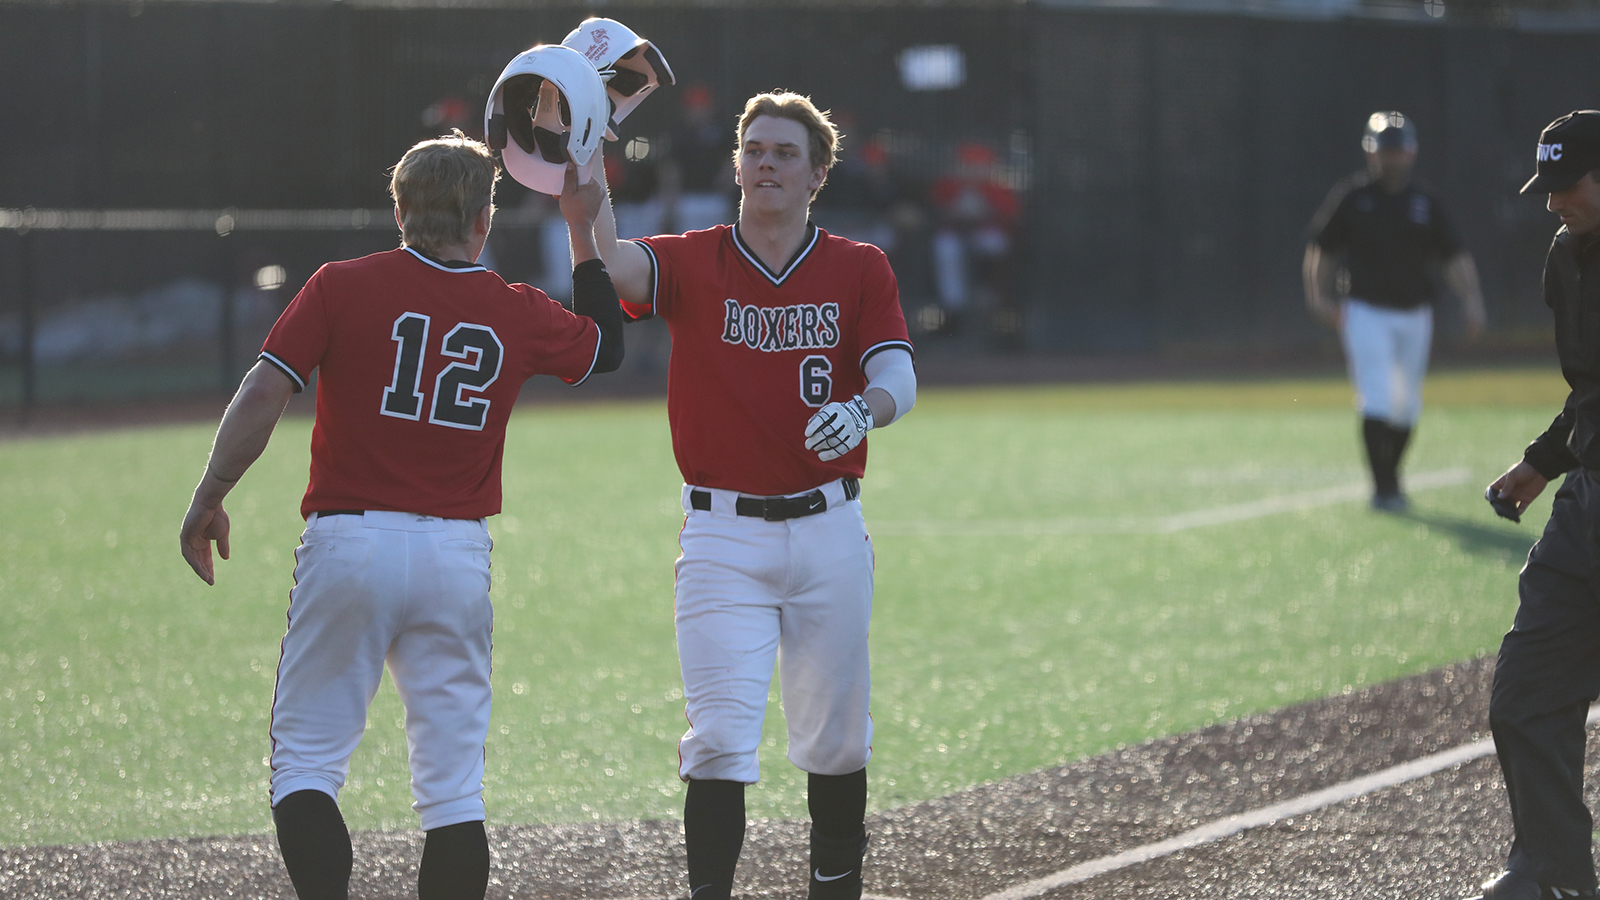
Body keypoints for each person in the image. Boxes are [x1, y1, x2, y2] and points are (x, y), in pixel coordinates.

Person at [177, 133, 621, 900]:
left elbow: (262, 393)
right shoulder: (513, 309)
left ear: (399, 211)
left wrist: (211, 491)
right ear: (483, 220)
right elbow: (607, 349)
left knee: (308, 768)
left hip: (349, 542)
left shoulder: (341, 285)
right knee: (452, 795)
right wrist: (581, 226)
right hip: (456, 556)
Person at [581, 91, 917, 900]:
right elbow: (616, 266)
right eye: (755, 149)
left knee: (837, 744)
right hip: (722, 536)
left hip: (829, 528)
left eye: (785, 153)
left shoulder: (858, 266)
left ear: (817, 176)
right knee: (721, 741)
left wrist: (861, 407)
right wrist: (586, 178)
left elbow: (897, 373)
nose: (766, 163)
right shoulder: (697, 257)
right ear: (736, 164)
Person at [1471, 109, 1600, 900]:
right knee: (1525, 690)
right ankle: (1553, 870)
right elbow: (1589, 393)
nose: (1554, 201)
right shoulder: (1566, 257)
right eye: (1546, 186)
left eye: (1570, 183)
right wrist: (1542, 465)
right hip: (1589, 506)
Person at [1303, 111, 1488, 512]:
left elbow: (1454, 256)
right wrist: (1317, 295)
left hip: (1415, 313)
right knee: (1378, 397)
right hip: (1365, 311)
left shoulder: (1425, 202)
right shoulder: (1354, 198)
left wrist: (1472, 300)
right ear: (1370, 152)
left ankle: (1392, 478)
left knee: (1406, 406)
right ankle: (1383, 487)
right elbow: (1322, 247)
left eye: (1398, 150)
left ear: (1412, 152)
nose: (1391, 158)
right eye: (1384, 150)